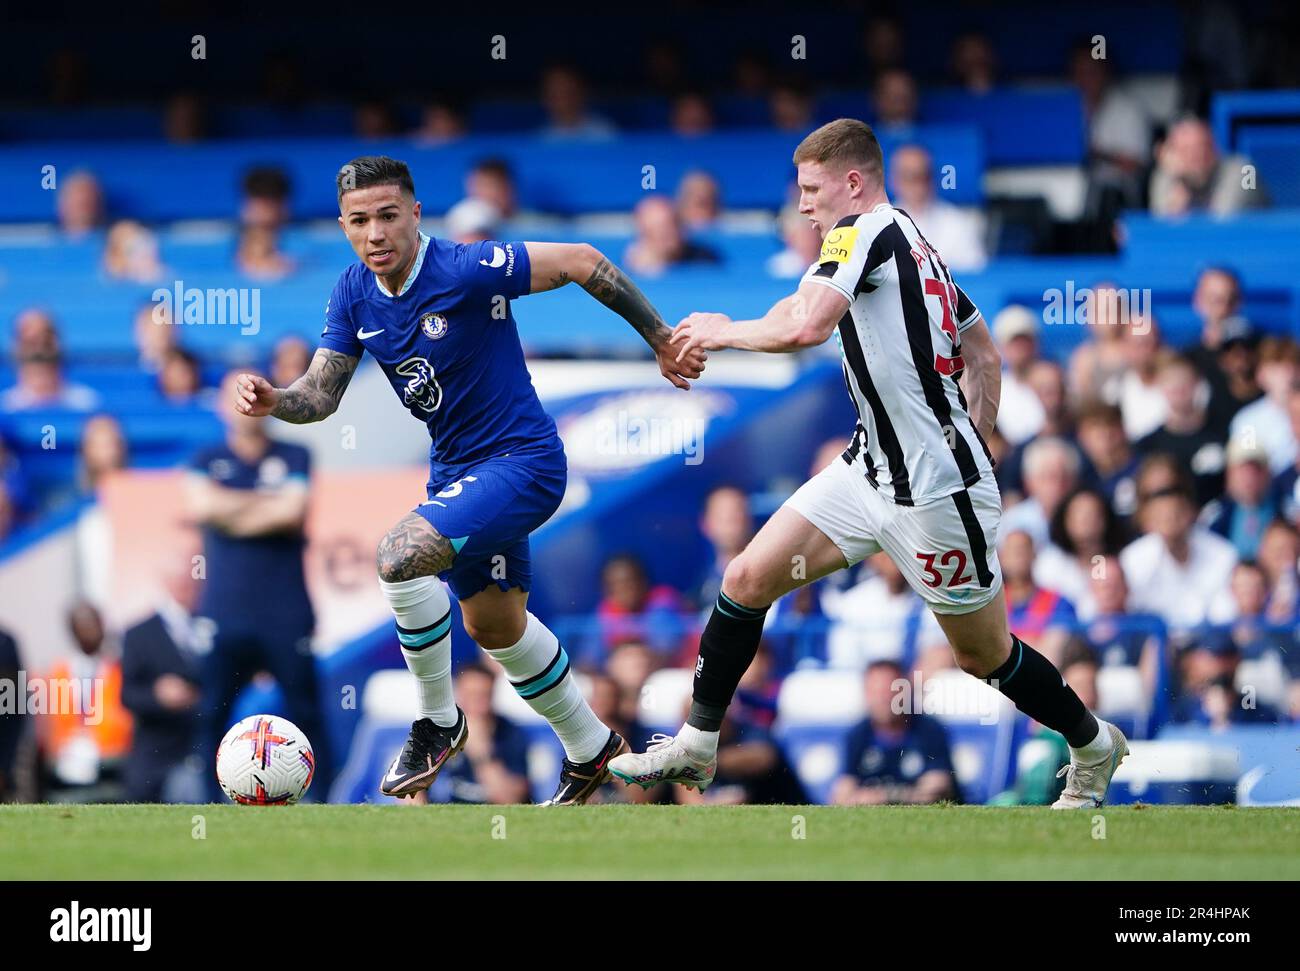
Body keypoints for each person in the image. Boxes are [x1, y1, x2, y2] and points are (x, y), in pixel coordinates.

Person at [611, 119, 1129, 810]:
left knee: (985, 655)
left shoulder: (863, 233)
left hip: (935, 493)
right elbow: (981, 350)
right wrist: (973, 434)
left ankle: (1094, 743)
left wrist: (719, 329)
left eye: (811, 188)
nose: (802, 205)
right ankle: (698, 743)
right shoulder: (911, 244)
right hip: (868, 470)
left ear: (852, 182)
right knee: (746, 576)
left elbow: (805, 327)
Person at [231, 155, 706, 806]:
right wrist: (275, 399)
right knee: (497, 628)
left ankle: (436, 721)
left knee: (400, 555)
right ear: (343, 226)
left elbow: (579, 259)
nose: (376, 234)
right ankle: (592, 747)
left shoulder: (462, 269)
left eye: (389, 216)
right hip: (458, 473)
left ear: (416, 214)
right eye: (360, 221)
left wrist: (658, 336)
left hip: (522, 462)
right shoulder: (352, 292)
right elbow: (321, 394)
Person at [186, 370, 327, 800]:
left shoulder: (296, 454)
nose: (245, 405)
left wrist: (229, 509)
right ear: (219, 406)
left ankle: (322, 801)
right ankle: (208, 802)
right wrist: (266, 504)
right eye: (235, 396)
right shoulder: (204, 457)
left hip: (284, 610)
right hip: (224, 608)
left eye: (251, 394)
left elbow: (291, 512)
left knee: (306, 711)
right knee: (213, 712)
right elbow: (201, 506)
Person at [120, 544, 205, 802]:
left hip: (209, 750)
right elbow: (127, 695)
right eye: (181, 579)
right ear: (167, 582)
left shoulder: (215, 627)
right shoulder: (139, 634)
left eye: (192, 579)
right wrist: (159, 696)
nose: (187, 585)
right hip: (159, 757)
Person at [831, 660, 959, 805]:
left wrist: (885, 796)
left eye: (890, 691)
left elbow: (936, 790)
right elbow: (842, 793)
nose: (883, 699)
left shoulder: (928, 730)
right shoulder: (857, 735)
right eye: (875, 692)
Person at [888, 145, 986, 271]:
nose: (918, 183)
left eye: (923, 175)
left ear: (934, 178)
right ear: (893, 180)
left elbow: (977, 278)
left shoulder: (958, 224)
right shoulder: (875, 225)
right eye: (909, 176)